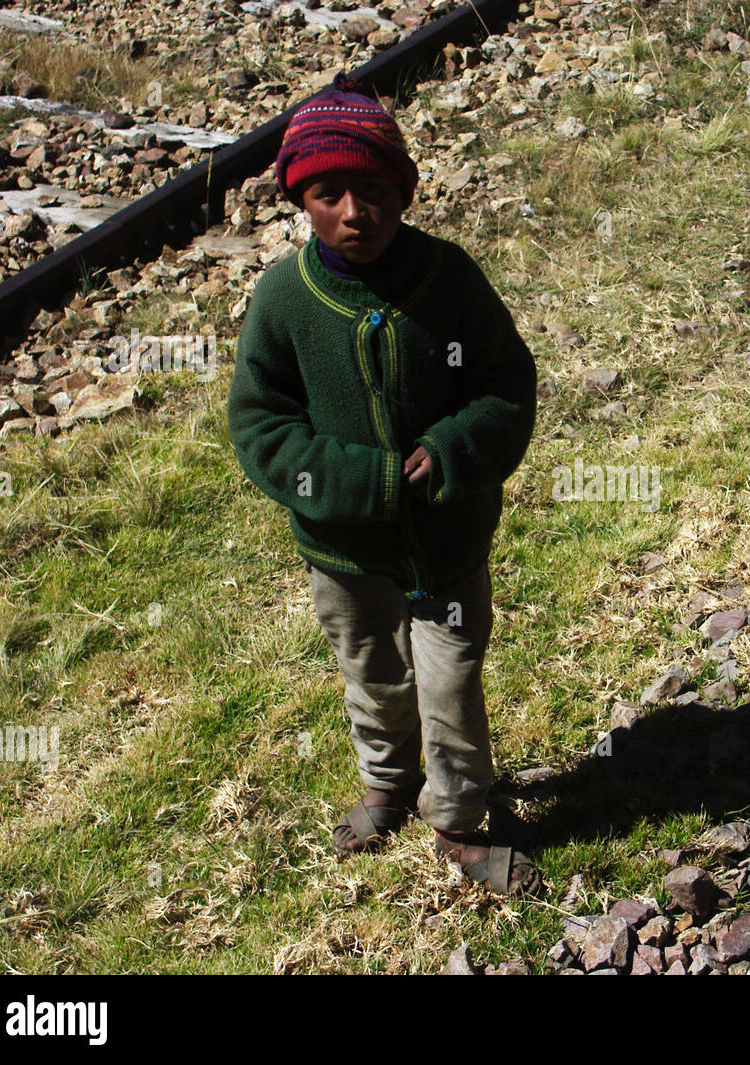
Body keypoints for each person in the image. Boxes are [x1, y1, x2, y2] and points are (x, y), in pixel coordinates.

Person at [226, 74, 540, 893]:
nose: (353, 213)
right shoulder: (286, 299)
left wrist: (453, 449)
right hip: (342, 547)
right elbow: (261, 422)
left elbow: (505, 383)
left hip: (447, 539)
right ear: (301, 198)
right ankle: (387, 780)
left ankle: (462, 820)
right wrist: (360, 480)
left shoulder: (448, 279)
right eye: (328, 193)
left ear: (402, 190)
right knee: (368, 664)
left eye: (372, 190)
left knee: (451, 676)